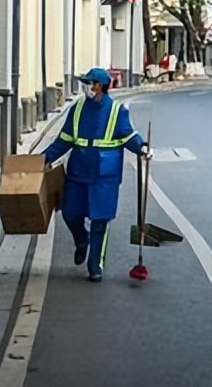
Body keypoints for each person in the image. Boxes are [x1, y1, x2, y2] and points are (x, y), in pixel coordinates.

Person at [43, 67, 152, 282]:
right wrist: (43, 158)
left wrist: (142, 148)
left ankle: (95, 265)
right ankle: (81, 240)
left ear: (100, 86)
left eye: (89, 83)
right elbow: (64, 139)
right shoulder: (77, 108)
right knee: (70, 213)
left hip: (104, 176)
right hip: (78, 171)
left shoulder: (117, 111)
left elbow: (128, 136)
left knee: (100, 220)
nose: (86, 87)